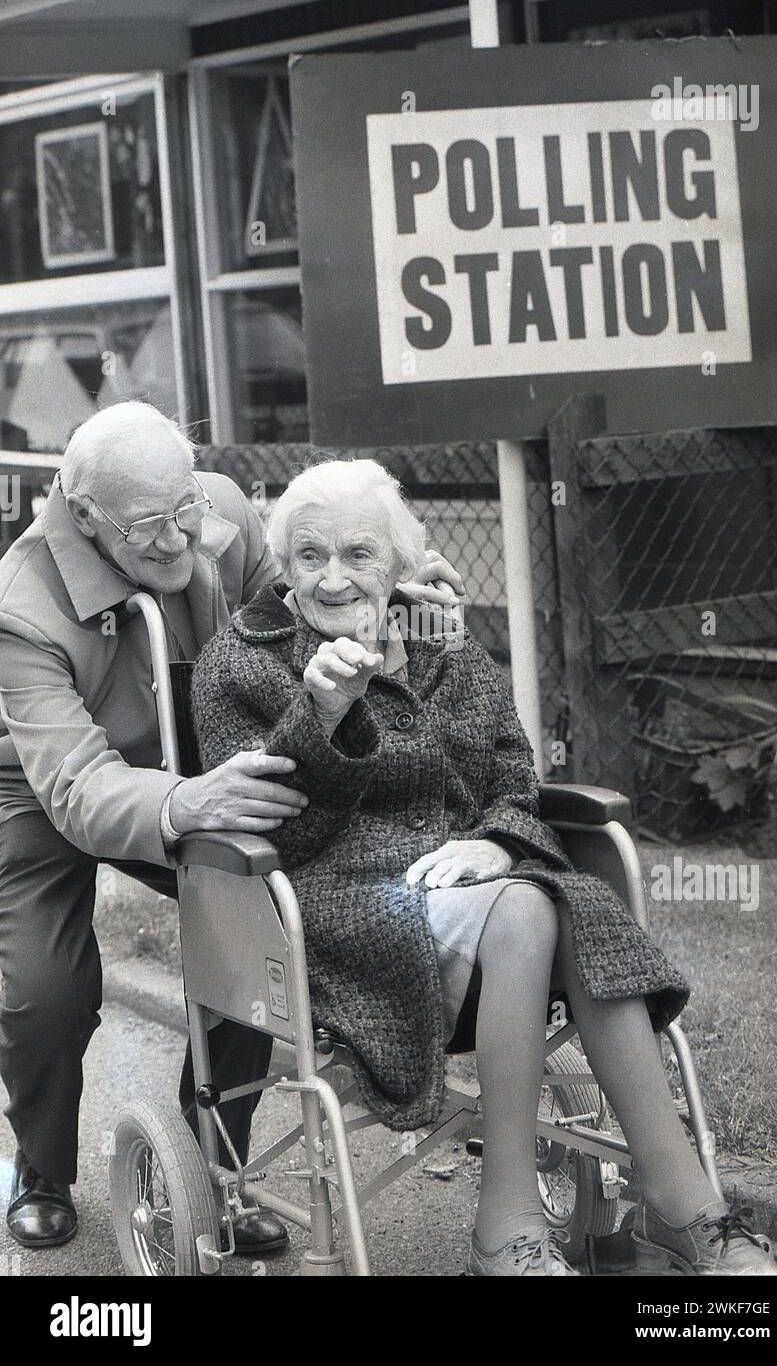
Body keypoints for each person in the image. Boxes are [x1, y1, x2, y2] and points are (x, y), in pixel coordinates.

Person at [191, 457, 777, 1278]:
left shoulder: (438, 641)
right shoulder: (240, 662)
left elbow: (512, 770)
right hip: (335, 904)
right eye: (309, 555)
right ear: (283, 562)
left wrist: (500, 840)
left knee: (562, 905)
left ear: (399, 564)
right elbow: (273, 840)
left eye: (359, 555)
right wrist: (321, 715)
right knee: (534, 909)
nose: (333, 579)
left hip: (479, 887)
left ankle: (688, 1212)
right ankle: (506, 1224)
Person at [0, 402, 464, 1252]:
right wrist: (183, 803)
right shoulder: (22, 609)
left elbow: (288, 620)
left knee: (254, 919)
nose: (184, 539)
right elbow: (79, 788)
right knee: (44, 992)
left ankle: (215, 1180)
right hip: (48, 783)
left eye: (189, 512)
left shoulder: (209, 508)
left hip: (196, 748)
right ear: (86, 513)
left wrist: (386, 590)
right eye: (154, 528)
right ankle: (41, 1166)